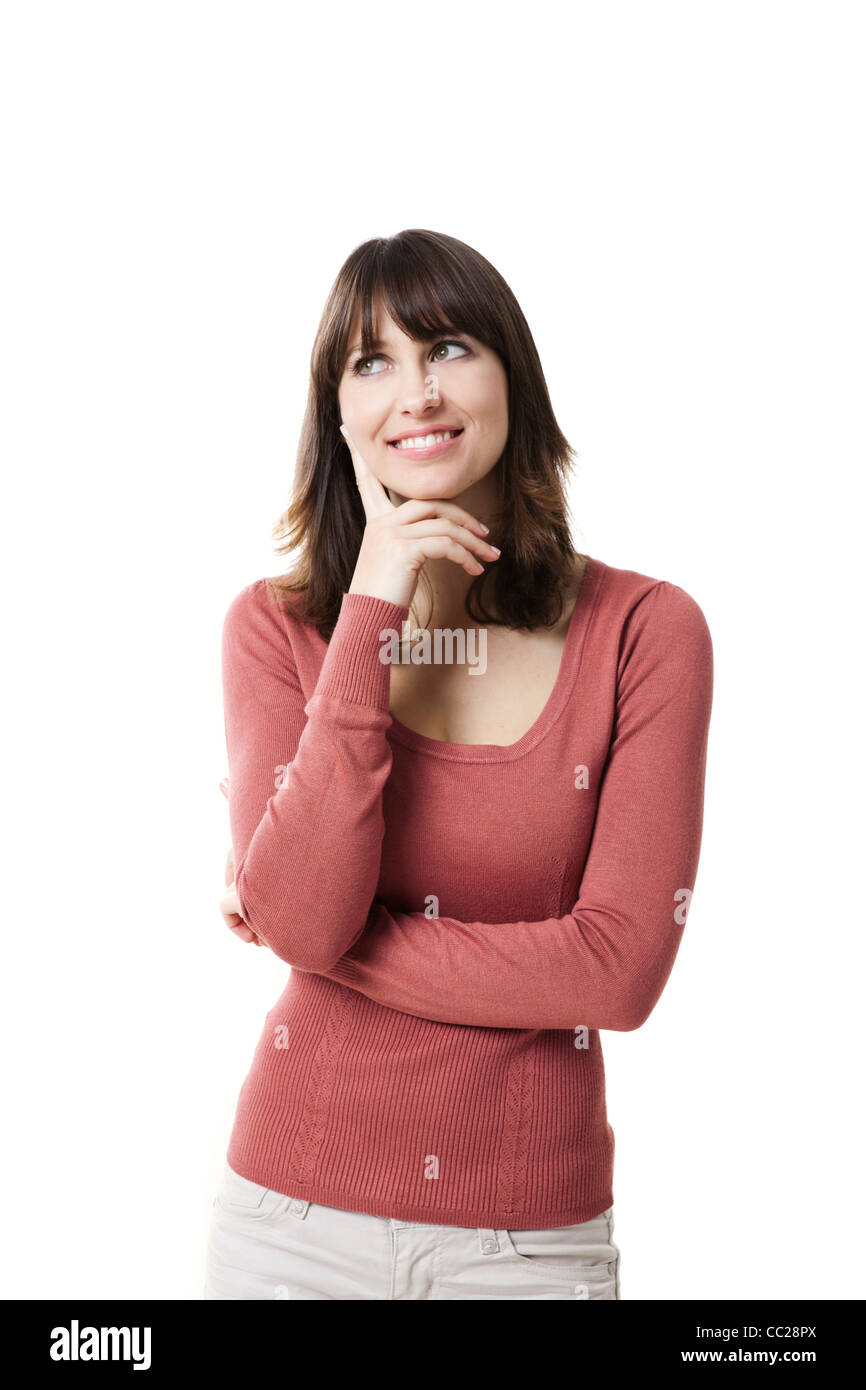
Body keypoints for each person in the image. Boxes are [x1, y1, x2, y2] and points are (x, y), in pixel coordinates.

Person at [204, 228, 713, 1300]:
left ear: (511, 375)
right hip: (288, 1226)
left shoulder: (645, 631)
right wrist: (372, 607)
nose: (417, 393)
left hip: (529, 1247)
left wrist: (323, 937)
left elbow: (618, 974)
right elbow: (301, 916)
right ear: (337, 412)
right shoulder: (274, 629)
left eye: (446, 347)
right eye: (372, 361)